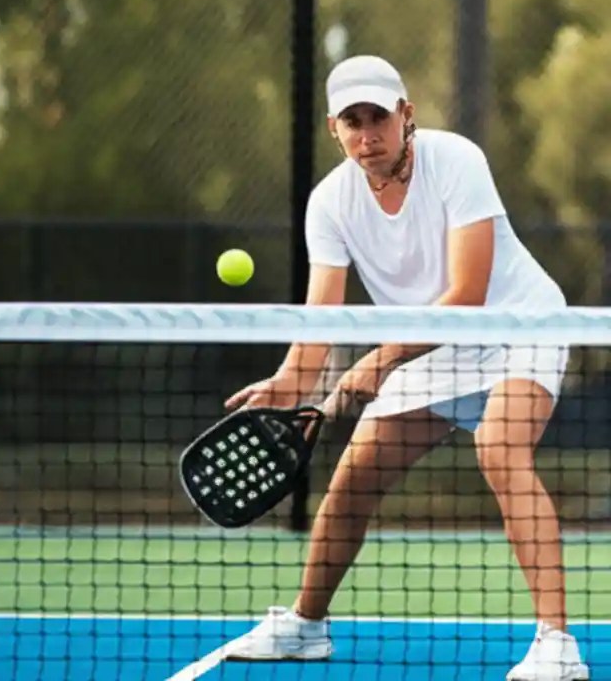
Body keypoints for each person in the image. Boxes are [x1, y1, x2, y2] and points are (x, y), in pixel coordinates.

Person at [219, 56, 588, 681]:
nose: (368, 134)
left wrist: (382, 358)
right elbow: (323, 321)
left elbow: (468, 292)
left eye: (379, 117)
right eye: (353, 121)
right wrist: (291, 378)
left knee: (500, 449)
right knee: (354, 475)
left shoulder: (456, 160)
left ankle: (557, 645)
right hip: (433, 347)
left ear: (406, 115)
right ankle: (307, 626)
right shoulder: (329, 204)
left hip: (517, 327)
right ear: (333, 128)